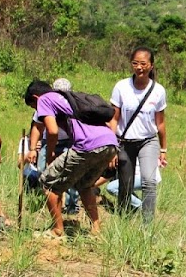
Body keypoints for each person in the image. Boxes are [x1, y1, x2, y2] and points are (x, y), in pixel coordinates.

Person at [25, 80, 118, 236]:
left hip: (87, 145)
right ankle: (96, 230)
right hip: (110, 143)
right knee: (84, 185)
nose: (38, 111)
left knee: (48, 182)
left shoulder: (45, 99)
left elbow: (52, 131)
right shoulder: (68, 97)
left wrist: (50, 156)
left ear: (35, 98)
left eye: (34, 107)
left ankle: (57, 231)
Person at [111, 46, 167, 223]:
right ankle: (123, 221)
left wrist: (163, 148)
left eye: (143, 63)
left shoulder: (158, 91)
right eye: (135, 63)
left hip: (148, 141)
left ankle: (147, 226)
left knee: (149, 182)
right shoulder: (121, 87)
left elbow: (160, 123)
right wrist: (111, 146)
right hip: (125, 142)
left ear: (151, 65)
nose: (139, 67)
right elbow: (114, 119)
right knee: (125, 185)